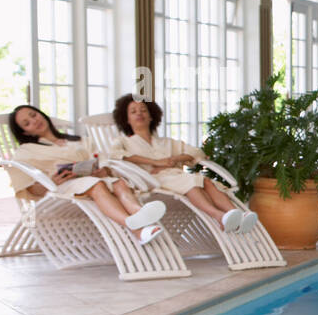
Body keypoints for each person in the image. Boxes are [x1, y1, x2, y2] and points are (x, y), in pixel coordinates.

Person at [6, 104, 168, 245]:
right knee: (96, 185)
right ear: (25, 133)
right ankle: (137, 229)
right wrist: (51, 181)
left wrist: (102, 170)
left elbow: (102, 160)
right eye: (27, 123)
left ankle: (139, 213)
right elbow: (26, 187)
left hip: (95, 179)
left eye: (34, 115)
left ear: (41, 114)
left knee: (119, 183)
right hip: (63, 187)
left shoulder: (79, 140)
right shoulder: (26, 151)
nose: (34, 121)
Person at [108, 95, 256, 234]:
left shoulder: (167, 142)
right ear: (126, 119)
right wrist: (155, 162)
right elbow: (116, 156)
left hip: (176, 175)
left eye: (143, 110)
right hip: (152, 180)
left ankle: (239, 215)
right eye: (133, 112)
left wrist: (175, 159)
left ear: (151, 116)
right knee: (191, 180)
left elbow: (196, 152)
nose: (139, 114)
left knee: (205, 181)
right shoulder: (123, 142)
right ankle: (219, 216)